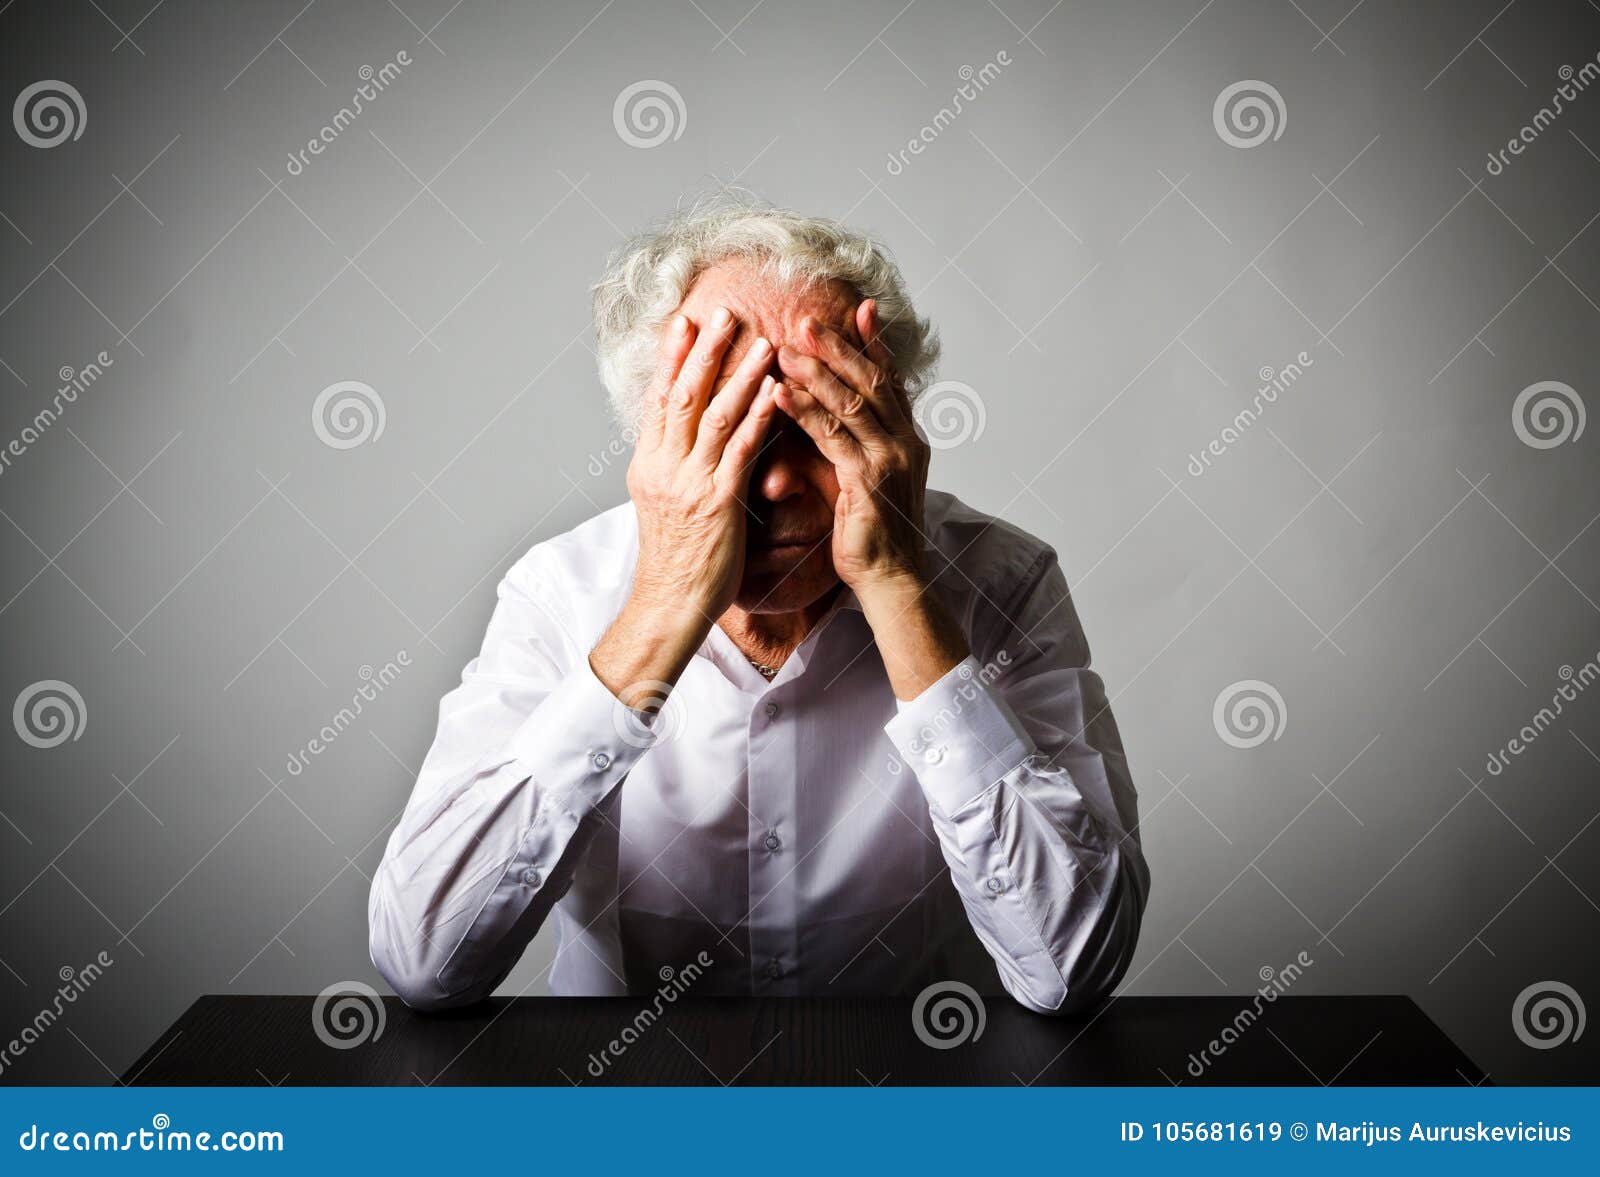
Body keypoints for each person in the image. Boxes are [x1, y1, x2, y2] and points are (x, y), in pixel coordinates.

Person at [368, 197, 1149, 1014]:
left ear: (892, 422)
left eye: (818, 428)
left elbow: (1075, 966)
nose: (776, 484)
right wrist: (663, 608)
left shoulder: (1004, 580)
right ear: (655, 433)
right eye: (733, 428)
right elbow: (425, 960)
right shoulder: (561, 592)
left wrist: (898, 589)